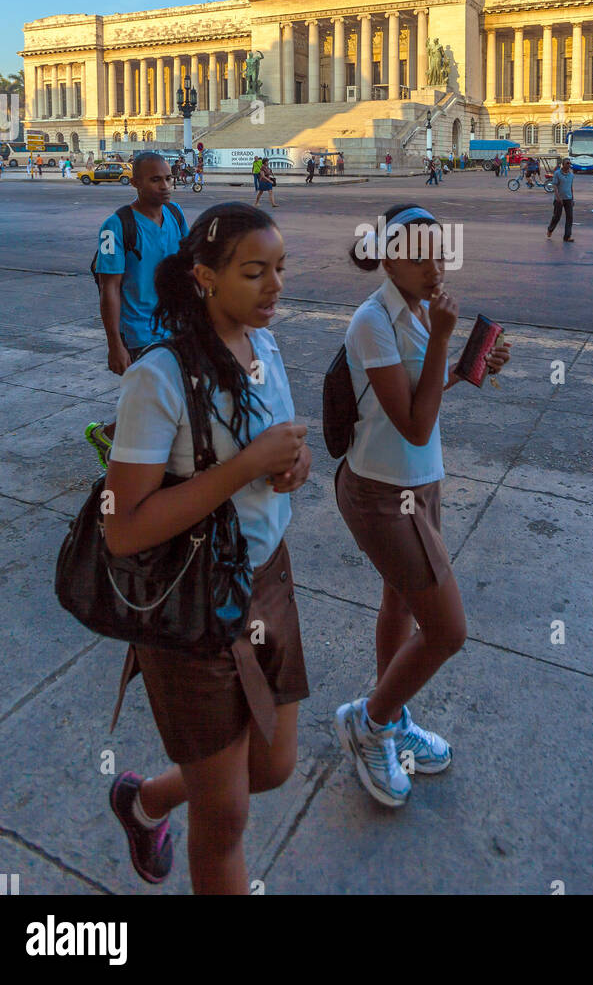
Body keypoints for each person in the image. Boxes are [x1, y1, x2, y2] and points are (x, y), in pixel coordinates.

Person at [104, 202, 311, 894]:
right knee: (226, 820)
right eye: (255, 272)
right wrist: (248, 466)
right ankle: (171, 804)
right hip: (194, 606)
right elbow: (124, 526)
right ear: (204, 278)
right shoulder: (157, 378)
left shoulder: (266, 347)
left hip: (267, 579)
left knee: (274, 767)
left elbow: (274, 458)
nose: (275, 286)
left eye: (280, 269)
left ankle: (148, 798)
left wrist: (289, 469)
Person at [334, 203, 510, 806]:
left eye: (440, 252)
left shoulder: (412, 310)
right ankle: (371, 721)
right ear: (390, 258)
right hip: (383, 493)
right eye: (421, 254)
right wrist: (442, 339)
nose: (436, 265)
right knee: (448, 630)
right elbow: (413, 422)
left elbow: (420, 395)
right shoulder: (371, 320)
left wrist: (466, 365)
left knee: (399, 603)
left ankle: (394, 716)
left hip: (419, 483)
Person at [84, 153, 190, 470]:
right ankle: (115, 443)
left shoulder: (175, 214)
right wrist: (114, 343)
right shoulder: (116, 226)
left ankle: (116, 437)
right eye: (155, 179)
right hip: (138, 331)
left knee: (163, 396)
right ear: (135, 183)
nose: (165, 186)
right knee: (151, 396)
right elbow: (109, 289)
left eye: (168, 178)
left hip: (175, 325)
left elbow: (186, 266)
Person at [546, 157, 575, 243]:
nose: (569, 165)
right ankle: (550, 229)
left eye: (569, 163)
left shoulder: (571, 175)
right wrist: (558, 197)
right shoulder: (557, 173)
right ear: (563, 164)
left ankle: (567, 236)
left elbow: (571, 187)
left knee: (570, 217)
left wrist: (573, 198)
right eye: (567, 163)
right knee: (557, 216)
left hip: (568, 198)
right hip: (559, 199)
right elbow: (554, 186)